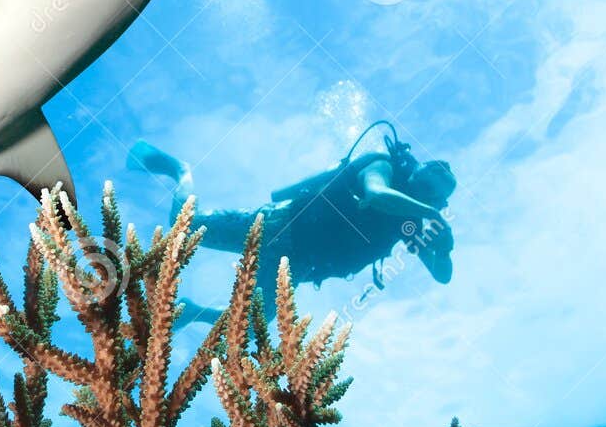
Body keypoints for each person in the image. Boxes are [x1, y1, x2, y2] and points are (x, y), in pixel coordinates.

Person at [128, 121, 456, 297]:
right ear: (414, 171)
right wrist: (433, 214)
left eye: (433, 196)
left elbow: (442, 275)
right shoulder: (383, 167)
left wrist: (443, 250)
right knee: (183, 226)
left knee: (253, 320)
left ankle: (190, 311)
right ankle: (180, 171)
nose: (427, 198)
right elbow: (376, 194)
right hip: (281, 225)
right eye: (427, 185)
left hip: (302, 264)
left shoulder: (410, 223)